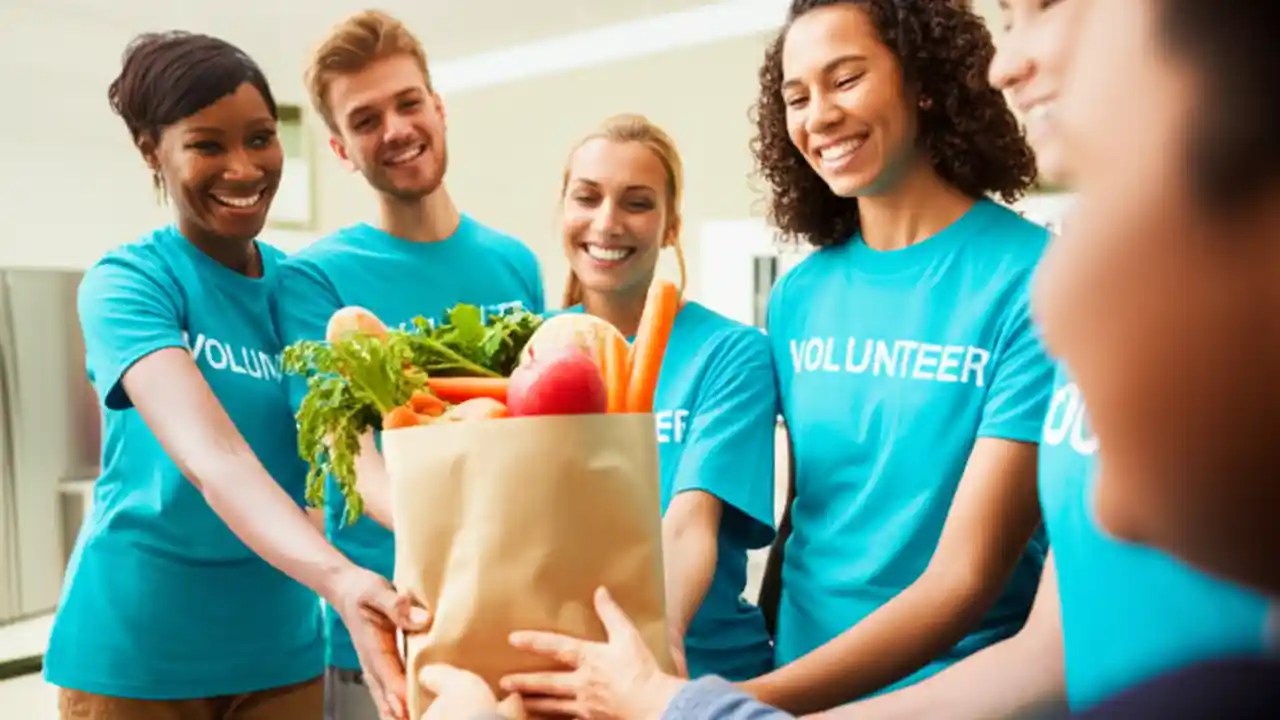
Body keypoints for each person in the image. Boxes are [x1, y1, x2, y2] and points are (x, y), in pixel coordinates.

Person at [44, 31, 427, 720]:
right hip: (137, 650)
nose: (245, 168)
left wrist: (445, 526)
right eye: (208, 145)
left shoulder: (300, 289)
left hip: (276, 648)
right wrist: (340, 578)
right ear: (151, 151)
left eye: (259, 138)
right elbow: (212, 458)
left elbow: (347, 449)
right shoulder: (131, 282)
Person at [274, 10, 545, 720]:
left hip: (517, 615)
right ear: (339, 148)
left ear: (438, 108)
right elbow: (348, 457)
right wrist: (466, 520)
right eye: (365, 120)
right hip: (392, 633)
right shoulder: (315, 280)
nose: (394, 129)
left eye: (407, 103)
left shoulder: (514, 265)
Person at [550, 113, 778, 689]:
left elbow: (689, 521)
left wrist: (658, 645)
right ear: (563, 210)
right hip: (572, 675)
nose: (607, 222)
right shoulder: (533, 350)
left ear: (670, 225)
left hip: (700, 677)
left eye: (637, 202)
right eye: (587, 197)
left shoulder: (730, 354)